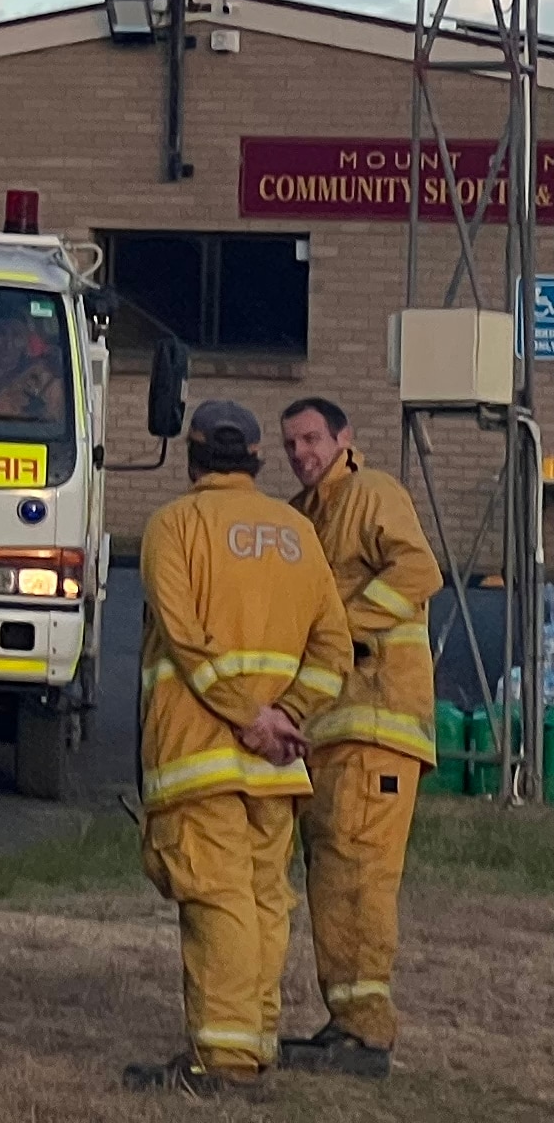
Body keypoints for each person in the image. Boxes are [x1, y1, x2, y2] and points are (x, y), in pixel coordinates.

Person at [130, 398, 351, 1099]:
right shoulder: (297, 532)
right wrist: (287, 713)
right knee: (262, 903)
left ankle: (222, 1063)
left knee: (218, 899)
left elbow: (185, 638)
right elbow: (334, 647)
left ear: (194, 459)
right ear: (256, 461)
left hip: (200, 753)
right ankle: (252, 1044)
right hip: (276, 762)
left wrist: (247, 714)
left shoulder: (173, 525)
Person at [277, 395, 442, 1077]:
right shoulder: (306, 513)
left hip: (378, 726)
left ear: (344, 438)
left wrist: (338, 625)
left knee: (361, 881)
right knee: (335, 878)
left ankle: (367, 1032)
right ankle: (347, 1023)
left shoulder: (372, 493)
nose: (302, 453)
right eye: (291, 444)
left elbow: (418, 572)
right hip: (336, 733)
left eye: (312, 439)